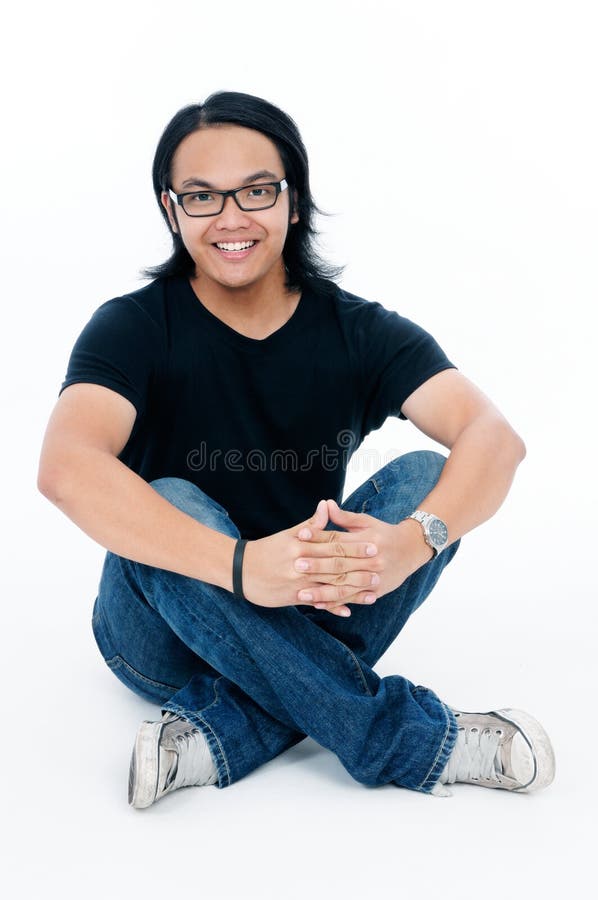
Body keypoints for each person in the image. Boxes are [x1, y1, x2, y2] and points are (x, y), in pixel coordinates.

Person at [37, 91, 555, 809]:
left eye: (255, 190)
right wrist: (243, 568)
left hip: (309, 612)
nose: (231, 217)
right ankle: (405, 739)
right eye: (202, 197)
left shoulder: (357, 332)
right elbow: (66, 467)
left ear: (293, 201)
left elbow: (495, 438)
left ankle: (220, 731)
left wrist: (415, 540)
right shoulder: (131, 328)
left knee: (429, 479)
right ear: (171, 209)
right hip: (158, 633)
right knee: (167, 499)